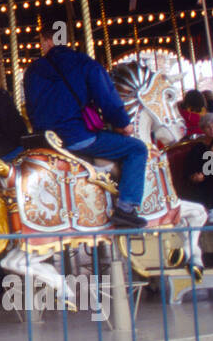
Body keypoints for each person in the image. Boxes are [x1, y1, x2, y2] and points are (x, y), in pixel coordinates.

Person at [23, 26, 149, 229]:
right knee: (137, 148)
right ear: (66, 40)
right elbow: (106, 98)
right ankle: (126, 208)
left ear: (48, 41)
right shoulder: (84, 63)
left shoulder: (33, 70)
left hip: (46, 141)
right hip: (78, 137)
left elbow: (30, 107)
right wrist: (123, 124)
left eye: (42, 42)